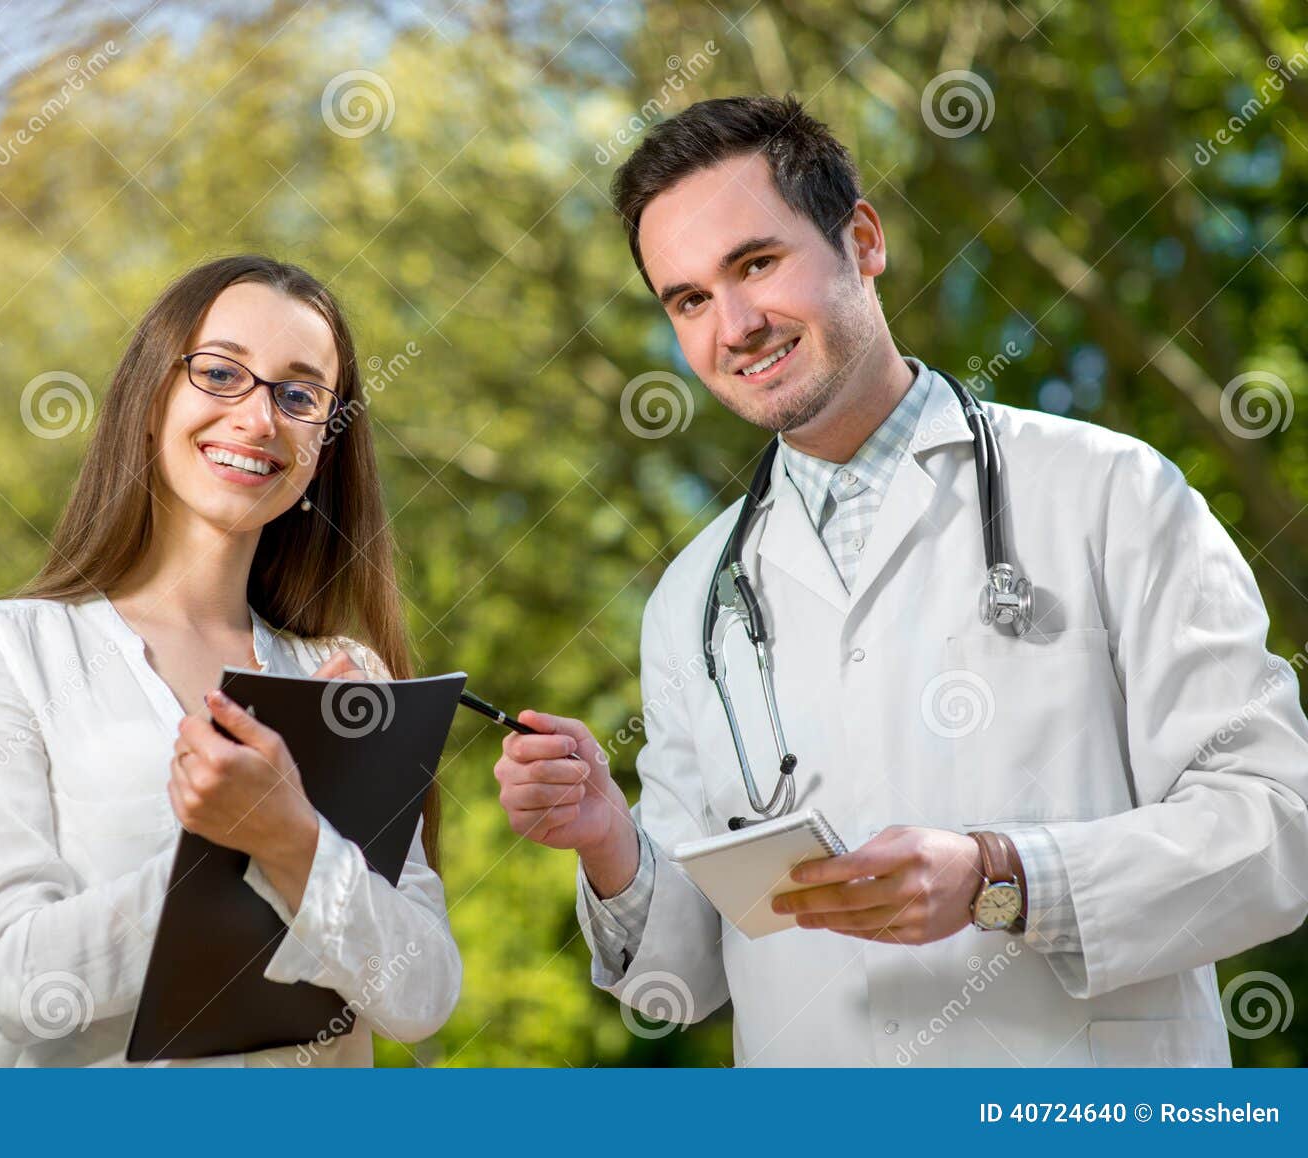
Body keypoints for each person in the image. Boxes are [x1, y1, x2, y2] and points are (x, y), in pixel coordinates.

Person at [493, 95, 1308, 1066]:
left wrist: (1002, 877)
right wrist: (606, 840)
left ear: (864, 241)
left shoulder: (1110, 494)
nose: (737, 325)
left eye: (756, 263)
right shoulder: (692, 600)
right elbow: (688, 972)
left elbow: (1275, 827)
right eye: (690, 299)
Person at [0, 255, 461, 1066]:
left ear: (324, 442)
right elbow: (15, 982)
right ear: (150, 398)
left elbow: (421, 998)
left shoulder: (347, 675)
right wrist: (237, 844)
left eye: (299, 394)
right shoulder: (4, 648)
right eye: (219, 373)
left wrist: (294, 840)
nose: (257, 418)